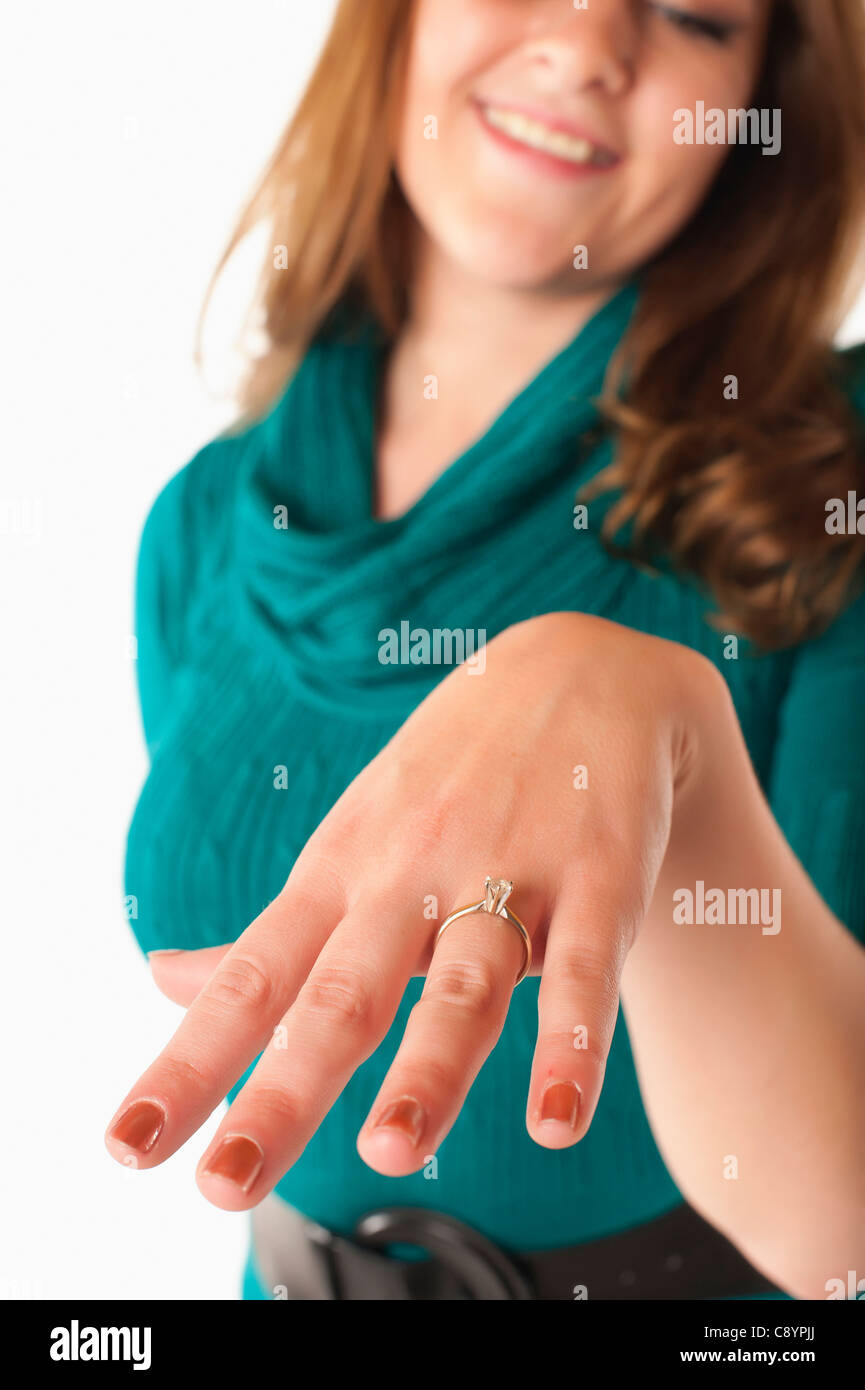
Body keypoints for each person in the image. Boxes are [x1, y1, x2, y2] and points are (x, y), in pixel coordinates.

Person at [107, 0, 865, 1300]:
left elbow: (838, 1230)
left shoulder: (838, 477)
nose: (586, 47)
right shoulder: (203, 523)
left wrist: (663, 732)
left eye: (691, 13)